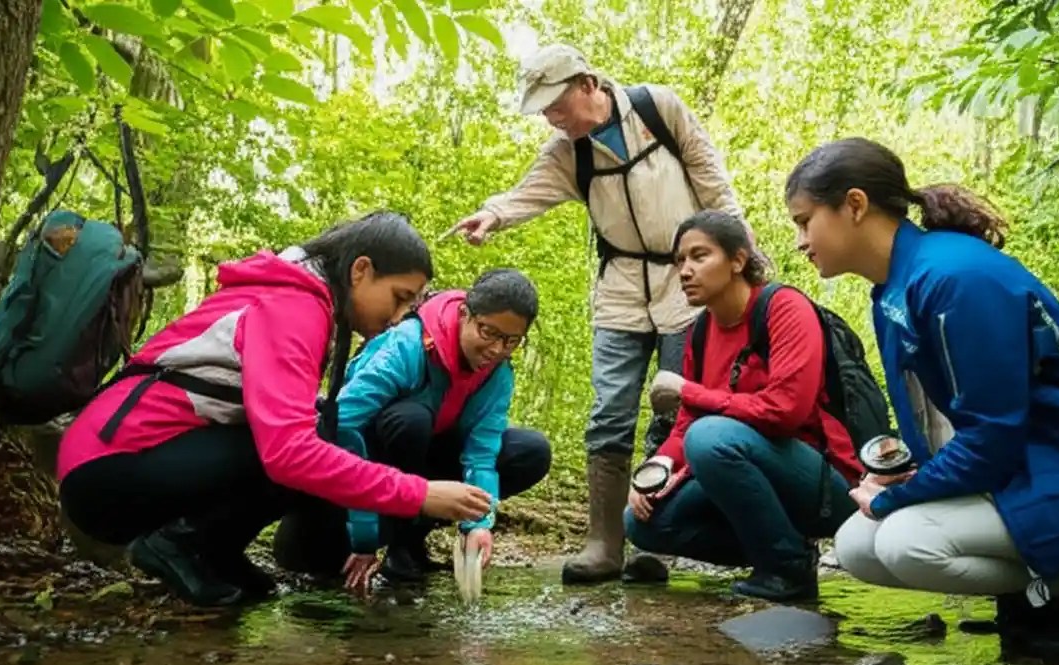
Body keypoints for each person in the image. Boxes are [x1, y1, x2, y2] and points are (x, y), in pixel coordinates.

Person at [785, 137, 1059, 658]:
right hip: (1033, 474)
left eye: (804, 221)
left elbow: (993, 436)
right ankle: (1039, 597)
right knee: (858, 546)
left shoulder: (954, 278)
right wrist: (898, 477)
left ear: (854, 205)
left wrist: (896, 498)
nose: (801, 241)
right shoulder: (893, 291)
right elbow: (943, 428)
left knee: (906, 541)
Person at [56, 211, 494, 607]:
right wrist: (420, 495)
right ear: (361, 270)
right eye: (399, 296)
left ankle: (213, 551)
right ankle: (182, 544)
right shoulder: (295, 308)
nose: (401, 316)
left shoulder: (305, 300)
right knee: (312, 439)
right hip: (105, 472)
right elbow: (290, 453)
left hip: (128, 463)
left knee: (322, 422)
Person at [450, 43, 757, 584]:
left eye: (557, 104)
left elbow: (714, 186)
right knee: (610, 411)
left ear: (588, 85)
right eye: (544, 110)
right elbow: (528, 194)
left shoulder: (659, 110)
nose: (551, 118)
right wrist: (492, 216)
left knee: (673, 405)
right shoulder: (568, 151)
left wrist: (745, 260)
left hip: (684, 283)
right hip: (619, 288)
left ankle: (652, 538)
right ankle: (603, 543)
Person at [620, 210, 862, 601]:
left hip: (824, 484)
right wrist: (657, 467)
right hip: (742, 465)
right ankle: (783, 548)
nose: (685, 270)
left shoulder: (784, 308)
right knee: (643, 522)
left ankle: (788, 570)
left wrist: (690, 393)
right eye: (679, 260)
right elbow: (685, 425)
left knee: (709, 437)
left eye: (699, 256)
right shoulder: (699, 332)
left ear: (737, 261)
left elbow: (786, 411)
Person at [271, 269, 552, 588]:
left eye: (511, 341)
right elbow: (341, 424)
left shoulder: (497, 375)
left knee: (529, 451)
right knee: (411, 419)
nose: (497, 349)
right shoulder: (408, 345)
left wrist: (478, 524)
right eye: (488, 332)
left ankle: (407, 545)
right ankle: (386, 537)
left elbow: (482, 453)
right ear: (465, 315)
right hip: (365, 469)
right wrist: (364, 537)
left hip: (425, 471)